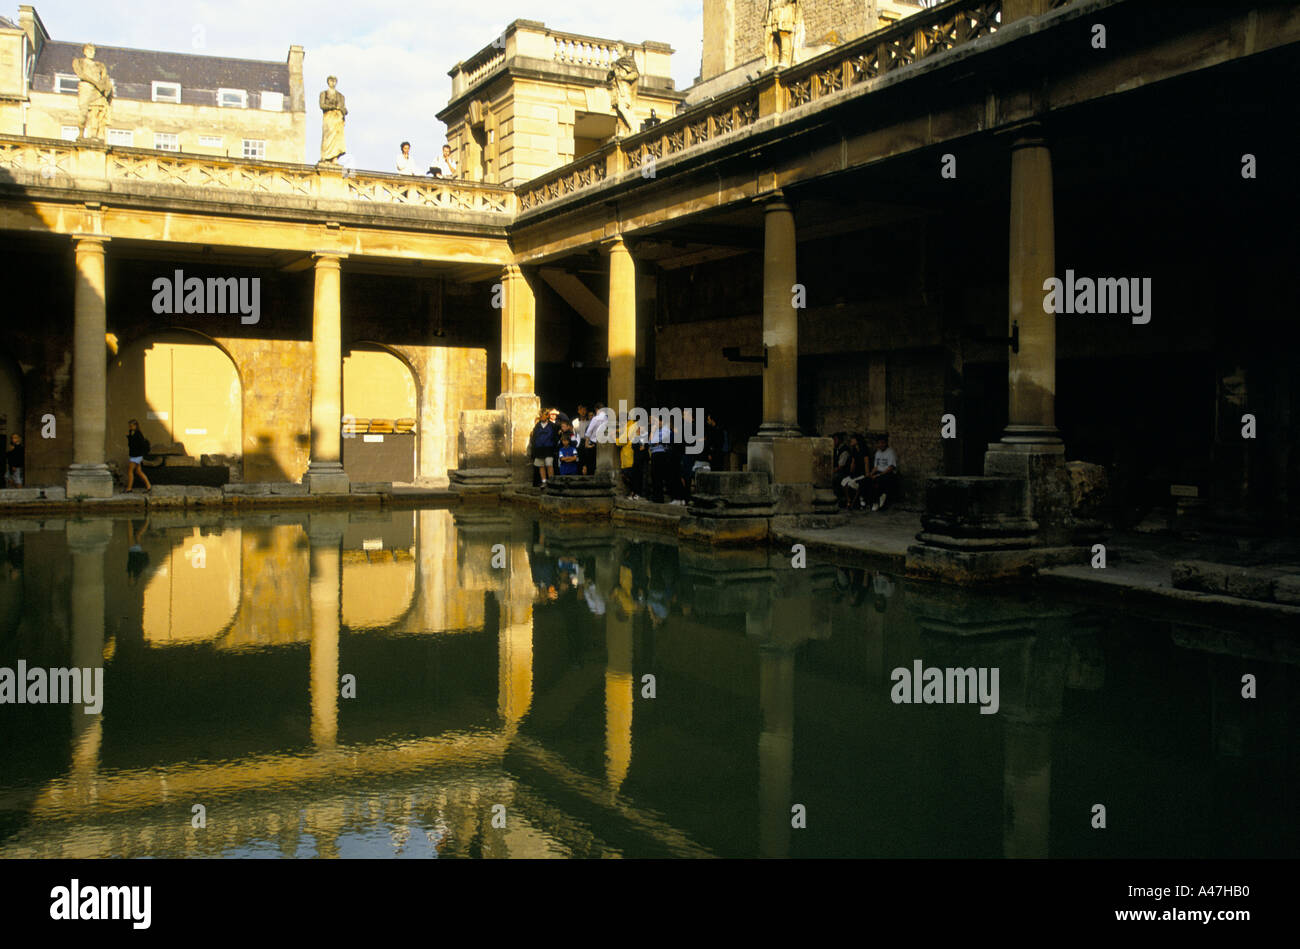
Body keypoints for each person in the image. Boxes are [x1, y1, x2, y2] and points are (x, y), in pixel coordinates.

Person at [863, 434, 899, 511]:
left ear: (886, 443)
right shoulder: (878, 453)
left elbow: (891, 467)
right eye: (879, 443)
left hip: (888, 473)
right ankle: (867, 501)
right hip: (879, 472)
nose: (881, 445)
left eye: (882, 443)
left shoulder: (890, 452)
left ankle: (877, 501)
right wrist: (870, 474)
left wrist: (878, 475)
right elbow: (876, 467)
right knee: (867, 480)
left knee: (878, 480)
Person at [529, 408, 559, 487]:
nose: (542, 417)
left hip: (549, 448)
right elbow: (534, 438)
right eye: (541, 415)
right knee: (541, 465)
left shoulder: (552, 426)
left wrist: (554, 448)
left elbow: (556, 437)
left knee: (549, 464)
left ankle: (551, 481)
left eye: (543, 415)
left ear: (547, 416)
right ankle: (544, 481)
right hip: (539, 449)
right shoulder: (537, 426)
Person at [125, 419, 151, 493]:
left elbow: (138, 445)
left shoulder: (138, 434)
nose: (130, 427)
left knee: (130, 471)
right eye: (129, 426)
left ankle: (129, 488)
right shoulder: (134, 433)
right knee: (138, 471)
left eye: (131, 426)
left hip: (136, 456)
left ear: (135, 425)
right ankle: (148, 486)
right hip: (136, 455)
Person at [581, 403, 609, 474]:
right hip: (604, 443)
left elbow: (589, 431)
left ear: (597, 409)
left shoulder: (596, 418)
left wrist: (586, 444)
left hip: (593, 443)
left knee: (591, 464)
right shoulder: (607, 418)